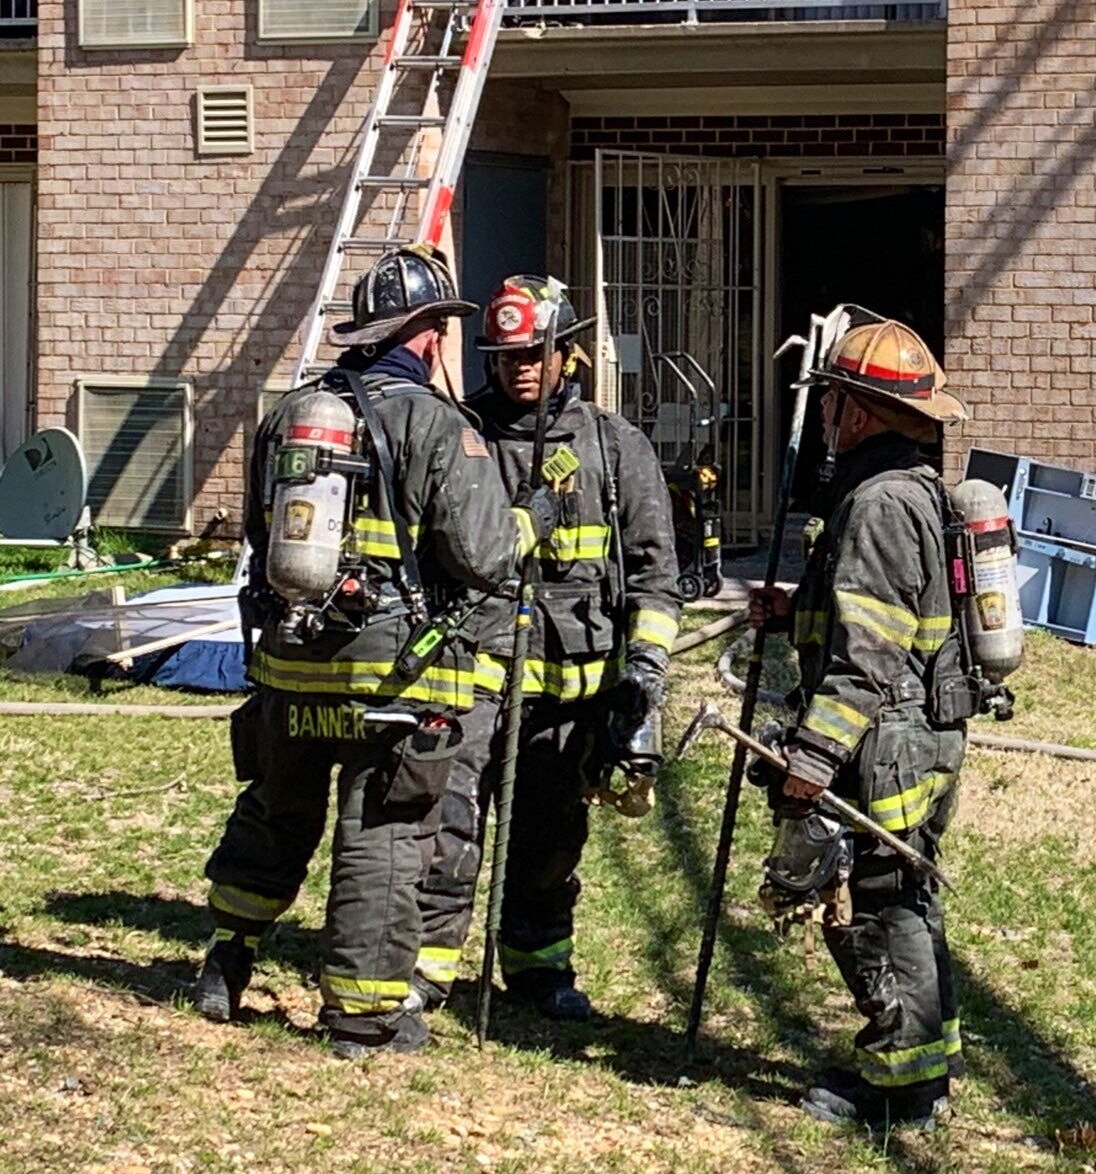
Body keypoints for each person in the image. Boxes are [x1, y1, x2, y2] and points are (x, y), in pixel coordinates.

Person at [197, 244, 555, 1060]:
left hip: (291, 667)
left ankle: (227, 961)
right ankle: (361, 1020)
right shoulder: (437, 424)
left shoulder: (292, 413)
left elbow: (261, 535)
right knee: (385, 836)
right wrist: (528, 511)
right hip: (396, 678)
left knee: (275, 811)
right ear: (428, 334)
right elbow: (488, 555)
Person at [414, 275, 683, 1022]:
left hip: (571, 688)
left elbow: (656, 576)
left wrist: (646, 671)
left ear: (566, 350)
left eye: (533, 352)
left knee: (549, 837)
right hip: (469, 674)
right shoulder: (460, 434)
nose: (518, 368)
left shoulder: (613, 445)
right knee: (449, 824)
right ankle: (428, 971)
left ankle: (538, 969)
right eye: (503, 356)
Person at [747, 313, 976, 1131]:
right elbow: (870, 619)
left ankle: (900, 1086)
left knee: (878, 901)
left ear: (858, 410)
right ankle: (931, 1057)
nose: (824, 417)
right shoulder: (911, 490)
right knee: (907, 890)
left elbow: (866, 658)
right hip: (921, 734)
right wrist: (795, 607)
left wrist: (811, 757)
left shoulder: (879, 504)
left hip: (886, 744)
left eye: (833, 400)